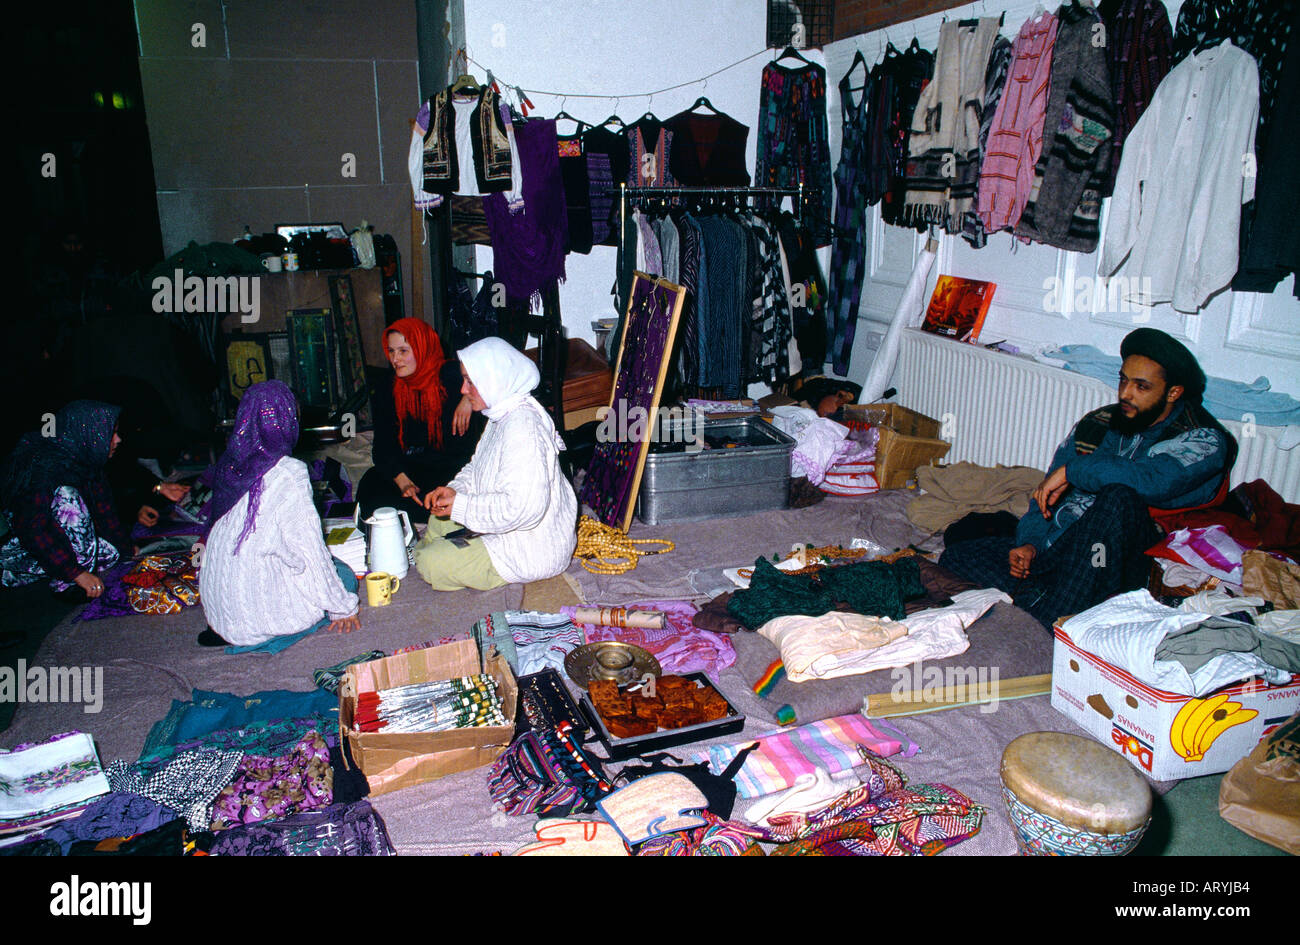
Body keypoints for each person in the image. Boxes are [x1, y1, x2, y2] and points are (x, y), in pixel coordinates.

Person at [939, 327, 1236, 628]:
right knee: (956, 556)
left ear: (1173, 392)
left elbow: (1149, 480)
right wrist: (1030, 545)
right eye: (1123, 380)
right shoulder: (1099, 423)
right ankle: (1053, 603)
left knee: (1117, 498)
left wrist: (1073, 471)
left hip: (1115, 562)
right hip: (1060, 554)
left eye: (1141, 387)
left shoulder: (1203, 439)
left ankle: (1051, 619)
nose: (1125, 394)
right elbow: (1046, 495)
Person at [197, 380, 360, 650]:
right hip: (255, 620)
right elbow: (310, 553)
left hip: (218, 614)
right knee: (344, 576)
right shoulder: (289, 473)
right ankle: (270, 632)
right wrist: (343, 608)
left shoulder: (229, 462)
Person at [414, 337, 577, 590]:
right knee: (437, 519)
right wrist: (455, 491)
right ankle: (453, 542)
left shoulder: (523, 428)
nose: (463, 390)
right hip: (507, 523)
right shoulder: (501, 413)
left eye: (470, 381)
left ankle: (450, 550)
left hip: (530, 550)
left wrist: (462, 506)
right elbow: (476, 467)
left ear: (493, 380)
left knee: (430, 562)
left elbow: (521, 510)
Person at [0, 400, 132, 601]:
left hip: (52, 544)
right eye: (112, 433)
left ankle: (70, 570)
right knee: (68, 497)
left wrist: (128, 551)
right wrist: (75, 573)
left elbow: (106, 514)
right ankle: (65, 583)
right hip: (21, 548)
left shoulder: (85, 460)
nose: (118, 439)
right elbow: (31, 529)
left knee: (112, 553)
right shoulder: (44, 468)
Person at [356, 317, 485, 522]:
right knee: (370, 487)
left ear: (421, 347)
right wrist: (401, 479)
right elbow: (382, 447)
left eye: (403, 351)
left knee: (451, 499)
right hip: (412, 469)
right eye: (391, 351)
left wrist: (469, 397)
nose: (396, 359)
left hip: (454, 470)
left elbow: (492, 377)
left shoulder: (452, 376)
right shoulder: (387, 388)